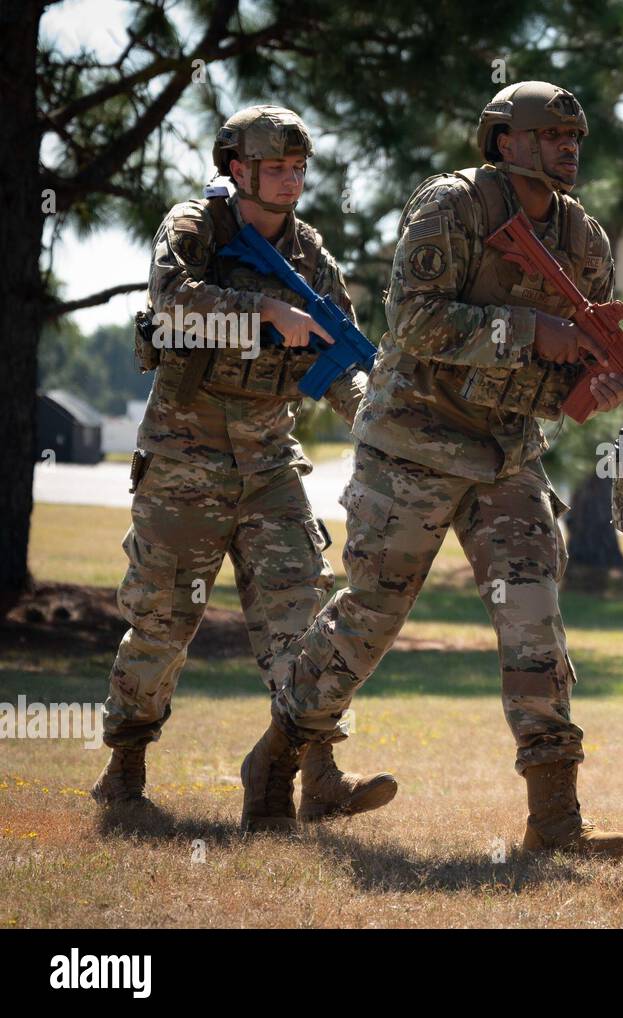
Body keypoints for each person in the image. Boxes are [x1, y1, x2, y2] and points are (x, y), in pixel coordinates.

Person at [242, 82, 623, 858]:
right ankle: (277, 757)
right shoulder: (450, 207)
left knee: (534, 621)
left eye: (574, 136)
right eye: (551, 135)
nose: (568, 148)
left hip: (506, 457)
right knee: (370, 618)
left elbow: (571, 356)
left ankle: (554, 822)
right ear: (503, 141)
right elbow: (415, 322)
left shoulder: (584, 238)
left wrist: (592, 382)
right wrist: (529, 330)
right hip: (412, 444)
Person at [92, 105, 397, 825]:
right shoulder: (194, 228)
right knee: (163, 621)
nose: (291, 182)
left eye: (299, 170)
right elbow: (169, 307)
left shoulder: (312, 256)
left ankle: (317, 774)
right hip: (183, 461)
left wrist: (377, 418)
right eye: (276, 169)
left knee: (304, 620)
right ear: (238, 168)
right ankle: (125, 769)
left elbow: (339, 358)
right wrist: (264, 310)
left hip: (269, 466)